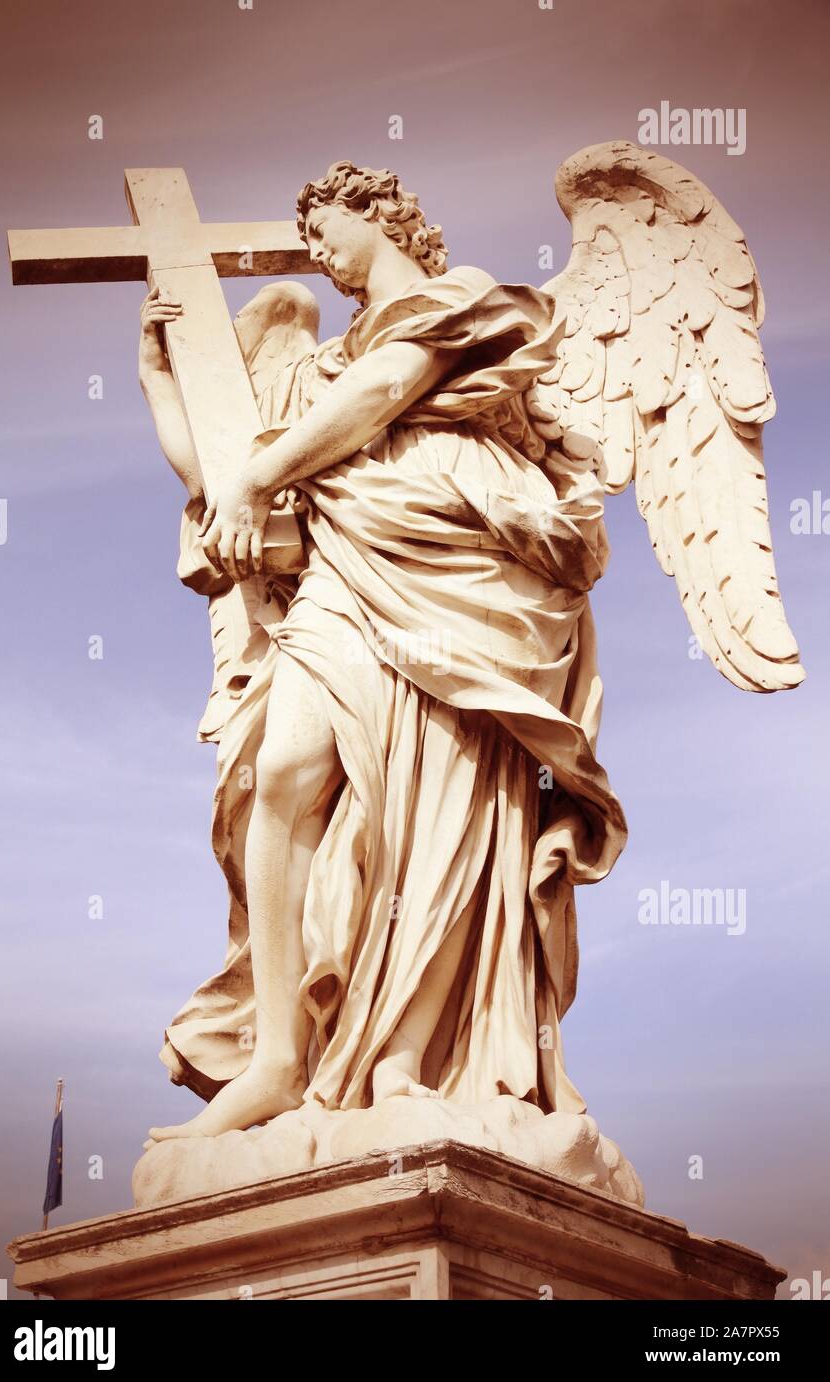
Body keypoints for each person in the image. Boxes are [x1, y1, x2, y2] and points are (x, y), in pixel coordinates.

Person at [138, 162, 627, 1145]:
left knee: (436, 807)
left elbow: (383, 392)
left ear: (378, 213)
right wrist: (162, 382)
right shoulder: (316, 375)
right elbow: (229, 482)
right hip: (347, 561)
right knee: (278, 774)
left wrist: (261, 475)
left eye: (325, 223)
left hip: (460, 561)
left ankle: (404, 1053)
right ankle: (278, 1058)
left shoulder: (463, 302)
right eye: (307, 232)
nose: (316, 248)